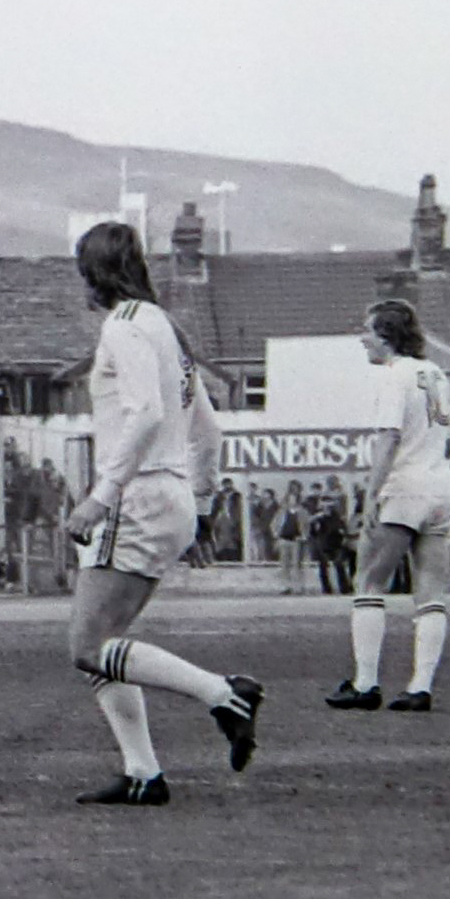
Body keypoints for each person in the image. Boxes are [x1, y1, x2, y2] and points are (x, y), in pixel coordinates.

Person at [60, 224, 264, 805]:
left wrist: (103, 494)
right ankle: (143, 773)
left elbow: (146, 413)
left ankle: (225, 694)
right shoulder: (167, 329)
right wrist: (201, 504)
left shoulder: (123, 326)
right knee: (108, 643)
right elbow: (209, 430)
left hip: (137, 495)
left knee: (87, 646)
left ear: (96, 274)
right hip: (169, 495)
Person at [324, 299, 450, 713]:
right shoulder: (437, 374)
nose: (362, 338)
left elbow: (388, 439)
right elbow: (449, 440)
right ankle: (420, 687)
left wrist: (370, 495)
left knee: (369, 582)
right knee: (430, 592)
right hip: (441, 486)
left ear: (386, 337)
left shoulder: (393, 376)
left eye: (367, 331)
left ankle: (366, 684)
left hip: (404, 487)